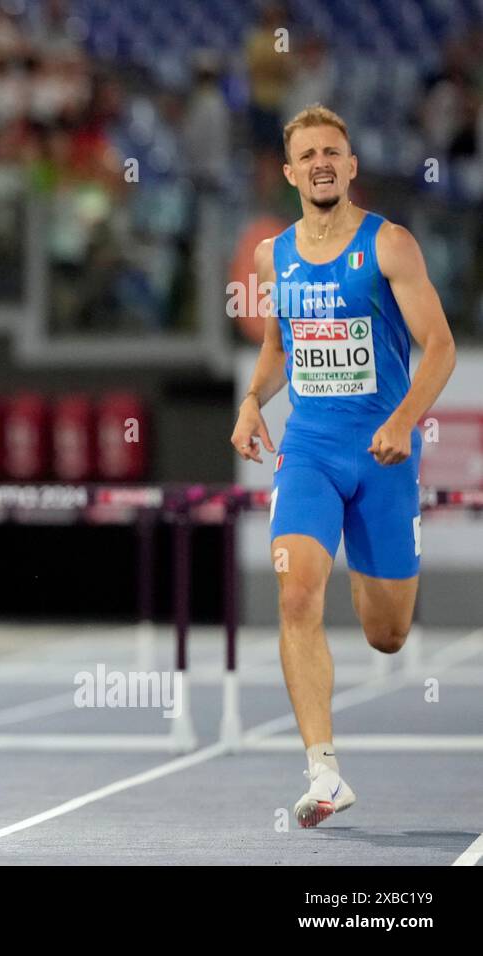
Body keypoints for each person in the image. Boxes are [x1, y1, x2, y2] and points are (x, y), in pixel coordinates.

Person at [231, 105, 456, 828]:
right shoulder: (274, 256)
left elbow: (442, 346)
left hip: (384, 457)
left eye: (334, 150)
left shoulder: (389, 245)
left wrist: (401, 420)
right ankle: (323, 772)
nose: (323, 162)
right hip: (311, 452)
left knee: (386, 632)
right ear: (291, 172)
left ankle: (374, 573)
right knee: (296, 595)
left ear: (351, 165)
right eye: (309, 154)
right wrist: (249, 403)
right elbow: (278, 347)